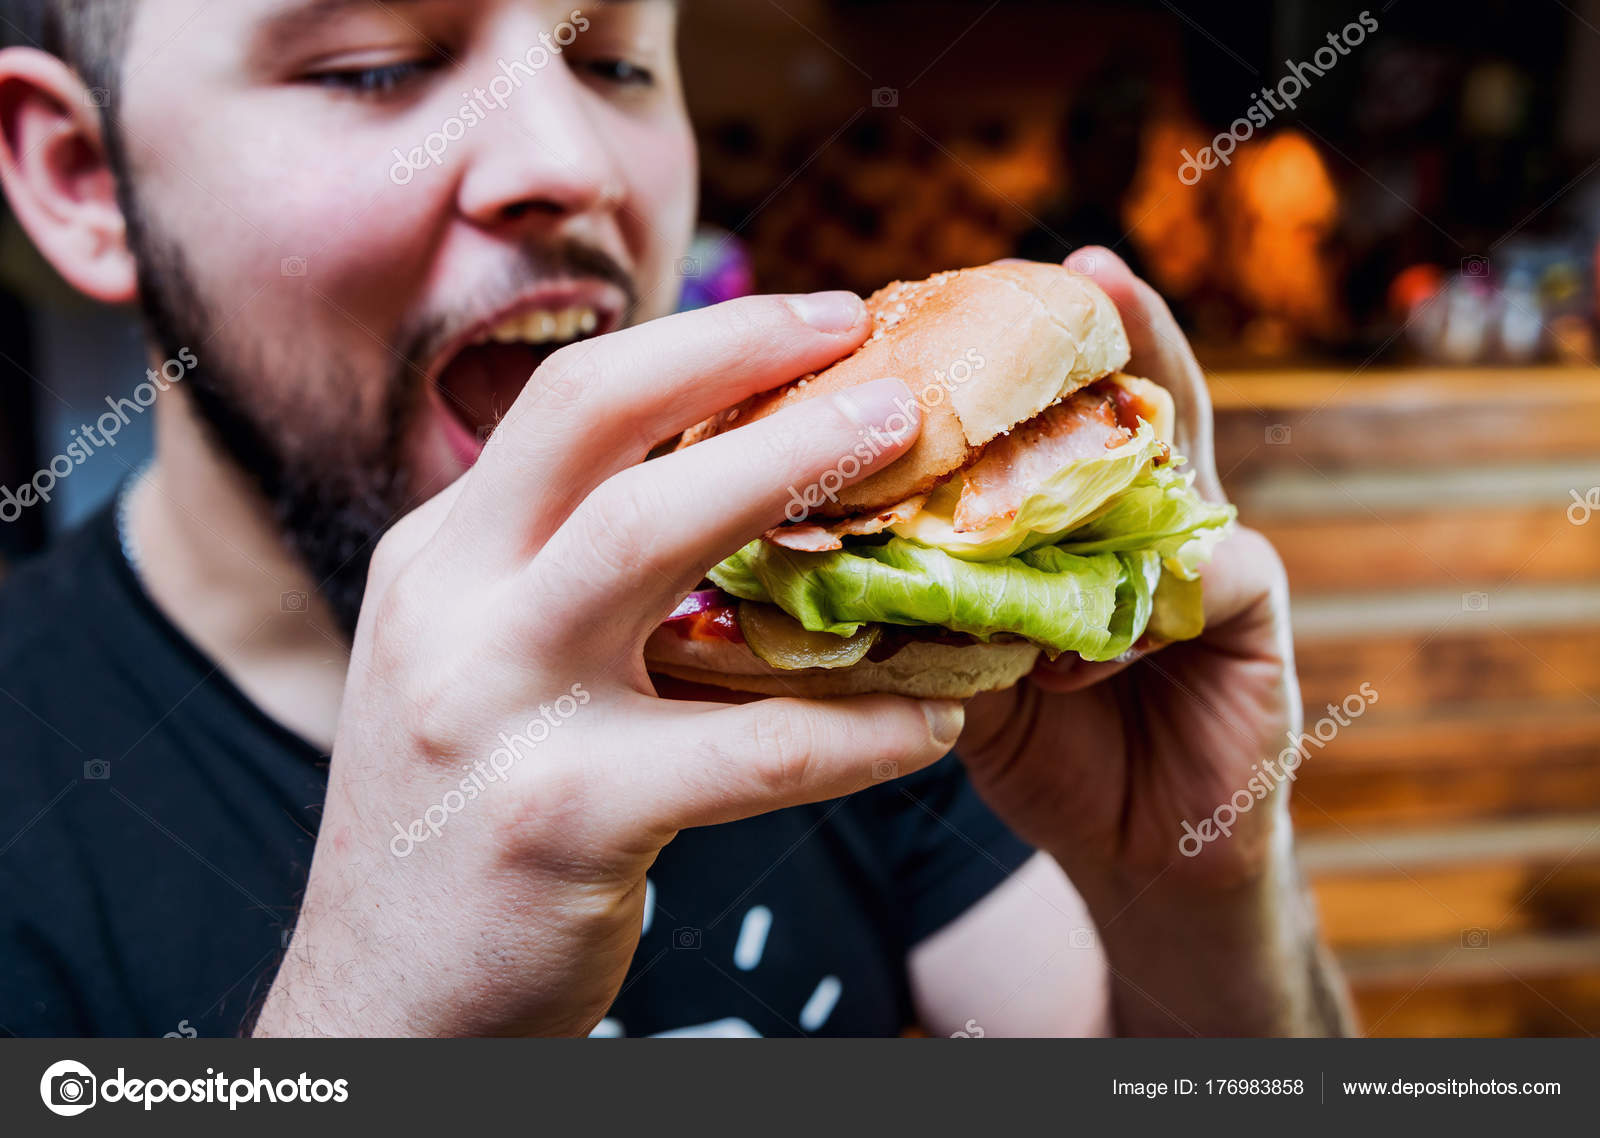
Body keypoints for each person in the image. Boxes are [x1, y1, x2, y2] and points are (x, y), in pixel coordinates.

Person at [0, 0, 1351, 1038]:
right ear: (79, 175)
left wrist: (1200, 901)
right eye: (375, 65)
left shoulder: (865, 646)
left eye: (618, 62)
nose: (570, 159)